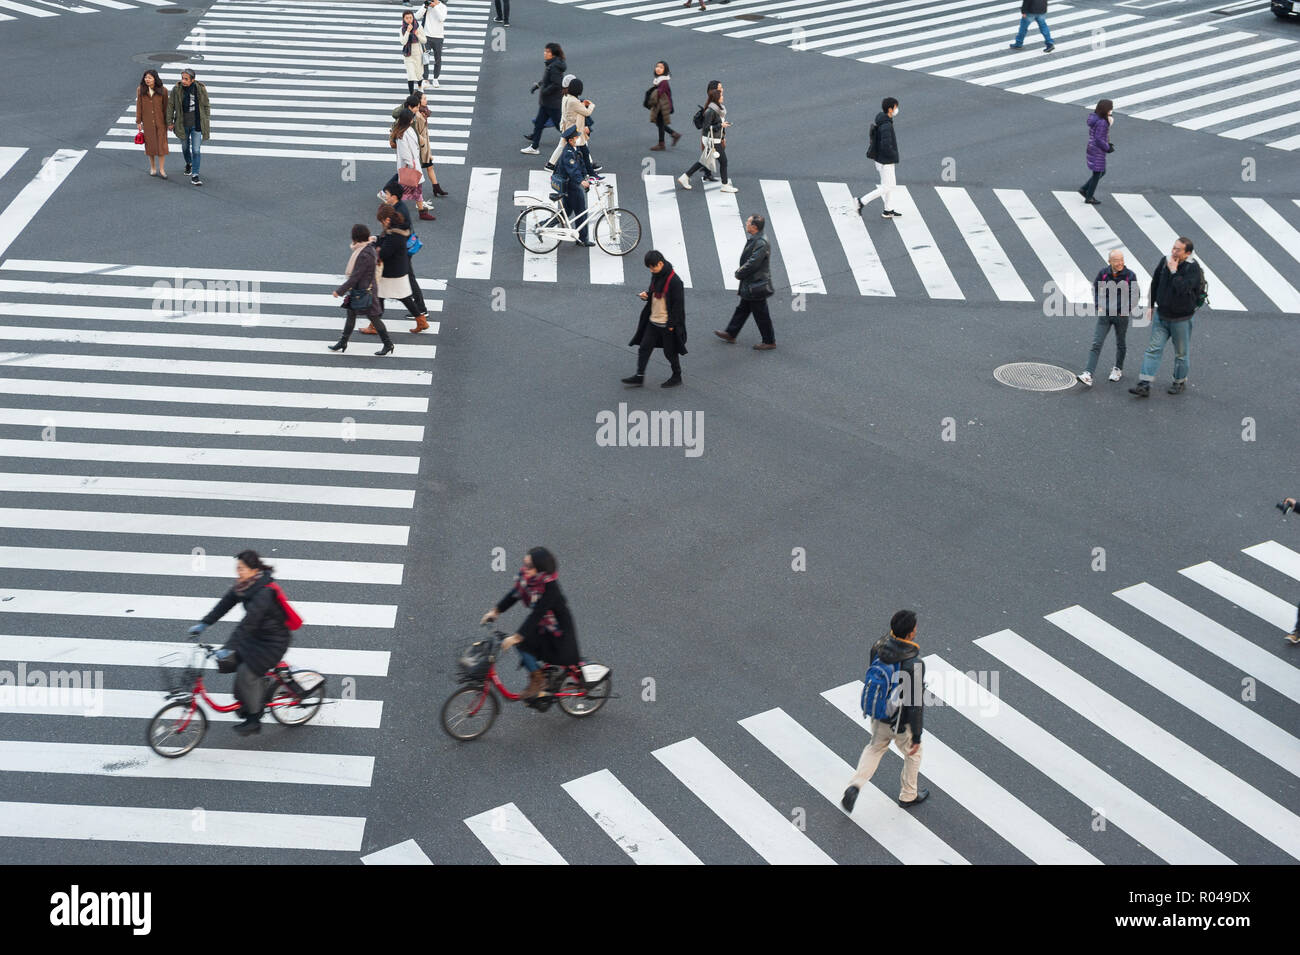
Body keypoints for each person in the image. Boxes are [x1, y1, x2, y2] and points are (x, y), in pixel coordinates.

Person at [188, 551, 292, 735]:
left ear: (254, 570)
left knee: (246, 674)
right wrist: (205, 623)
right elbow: (224, 604)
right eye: (237, 568)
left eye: (241, 568)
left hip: (273, 641)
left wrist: (228, 648)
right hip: (256, 637)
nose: (238, 572)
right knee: (232, 665)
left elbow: (247, 624)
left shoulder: (264, 592)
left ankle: (254, 718)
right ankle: (254, 696)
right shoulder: (244, 585)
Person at [841, 610, 930, 812]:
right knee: (913, 754)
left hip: (879, 714)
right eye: (915, 628)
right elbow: (915, 704)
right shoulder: (914, 664)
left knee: (874, 748)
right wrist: (916, 735)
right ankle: (908, 795)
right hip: (901, 722)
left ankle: (855, 785)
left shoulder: (878, 647)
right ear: (910, 634)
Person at [479, 548, 580, 702]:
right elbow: (514, 594)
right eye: (524, 564)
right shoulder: (528, 579)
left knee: (521, 643)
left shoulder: (550, 588)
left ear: (540, 569)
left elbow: (537, 614)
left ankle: (538, 681)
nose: (524, 568)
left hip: (558, 634)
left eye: (529, 566)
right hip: (544, 627)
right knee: (522, 644)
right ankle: (538, 675)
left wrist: (517, 637)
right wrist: (496, 611)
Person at [1129, 237, 1203, 397]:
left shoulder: (1193, 268)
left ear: (1188, 253)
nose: (1173, 251)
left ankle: (1179, 381)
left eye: (1178, 249)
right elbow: (1155, 282)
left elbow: (1183, 289)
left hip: (1181, 320)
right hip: (1162, 316)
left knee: (1181, 354)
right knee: (1153, 350)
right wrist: (1150, 305)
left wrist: (1174, 271)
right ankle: (1144, 383)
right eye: (1173, 247)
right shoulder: (1165, 261)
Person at [623, 249, 686, 388]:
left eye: (653, 267)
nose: (651, 270)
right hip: (653, 321)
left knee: (670, 353)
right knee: (644, 348)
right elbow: (653, 292)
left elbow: (678, 306)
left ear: (660, 263)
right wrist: (647, 295)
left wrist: (671, 325)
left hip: (666, 324)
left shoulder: (675, 281)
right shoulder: (656, 275)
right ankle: (639, 376)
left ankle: (677, 376)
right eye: (649, 268)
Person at [330, 223, 393, 356]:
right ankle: (343, 342)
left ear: (355, 237)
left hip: (365, 291)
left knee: (373, 317)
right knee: (351, 314)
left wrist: (339, 291)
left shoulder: (364, 254)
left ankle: (388, 344)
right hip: (363, 289)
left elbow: (355, 276)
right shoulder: (366, 248)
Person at [714, 214, 775, 349]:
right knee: (743, 309)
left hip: (756, 284)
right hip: (751, 284)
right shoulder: (757, 239)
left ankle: (769, 341)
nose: (745, 224)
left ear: (754, 227)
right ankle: (731, 333)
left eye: (748, 222)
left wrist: (739, 272)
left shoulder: (761, 242)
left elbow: (753, 263)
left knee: (761, 314)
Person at [1078, 249, 1137, 386]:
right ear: (1109, 261)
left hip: (1121, 316)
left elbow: (1135, 295)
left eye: (1121, 259)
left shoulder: (1130, 276)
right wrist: (1098, 304)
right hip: (1105, 314)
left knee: (1120, 343)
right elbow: (1096, 288)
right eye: (1116, 260)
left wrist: (1126, 309)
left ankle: (1118, 369)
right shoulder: (1103, 274)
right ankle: (1088, 374)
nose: (1120, 263)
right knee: (1096, 343)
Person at [375, 204, 431, 332]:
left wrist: (377, 247)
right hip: (398, 270)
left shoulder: (393, 235)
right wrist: (377, 239)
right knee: (402, 298)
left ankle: (375, 325)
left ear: (387, 220)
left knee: (381, 297)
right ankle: (421, 321)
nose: (381, 224)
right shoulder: (397, 231)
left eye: (381, 221)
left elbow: (384, 253)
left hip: (392, 272)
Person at [677, 84, 735, 193]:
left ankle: (685, 177)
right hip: (712, 141)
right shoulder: (710, 111)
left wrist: (722, 128)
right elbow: (706, 128)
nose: (723, 97)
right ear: (716, 98)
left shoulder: (718, 109)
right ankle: (725, 185)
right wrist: (720, 126)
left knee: (704, 161)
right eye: (721, 95)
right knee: (723, 161)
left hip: (715, 139)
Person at [390, 94, 436, 220]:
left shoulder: (406, 130)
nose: (413, 119)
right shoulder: (402, 135)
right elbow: (405, 154)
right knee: (403, 193)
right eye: (411, 118)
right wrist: (413, 165)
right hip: (409, 167)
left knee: (416, 191)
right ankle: (394, 211)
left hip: (411, 165)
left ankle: (421, 211)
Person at [856, 97, 901, 219]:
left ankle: (888, 210)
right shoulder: (886, 125)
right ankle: (861, 201)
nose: (897, 109)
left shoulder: (883, 120)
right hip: (885, 160)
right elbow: (886, 145)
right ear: (890, 109)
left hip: (881, 160)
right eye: (896, 107)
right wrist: (893, 155)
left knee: (888, 185)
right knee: (888, 186)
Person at [166, 69, 210, 187]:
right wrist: (169, 121)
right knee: (185, 147)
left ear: (192, 80)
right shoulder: (177, 89)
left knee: (196, 150)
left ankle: (195, 175)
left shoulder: (200, 89)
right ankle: (189, 163)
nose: (183, 81)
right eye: (182, 78)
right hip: (182, 123)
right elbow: (171, 105)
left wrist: (206, 119)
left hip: (197, 124)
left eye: (186, 79)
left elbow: (206, 105)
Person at [553, 125, 595, 247]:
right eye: (576, 138)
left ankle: (543, 225)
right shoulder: (568, 153)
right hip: (571, 186)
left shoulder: (573, 150)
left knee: (565, 212)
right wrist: (581, 181)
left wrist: (588, 176)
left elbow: (580, 166)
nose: (577, 139)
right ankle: (582, 239)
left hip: (568, 186)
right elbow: (572, 170)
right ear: (571, 140)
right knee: (581, 211)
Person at [522, 43, 567, 155]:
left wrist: (545, 91)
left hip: (552, 103)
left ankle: (577, 140)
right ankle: (534, 146)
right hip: (547, 103)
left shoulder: (554, 67)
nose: (545, 53)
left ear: (553, 54)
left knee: (559, 126)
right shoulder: (552, 64)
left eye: (547, 52)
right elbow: (547, 80)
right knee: (539, 123)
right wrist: (538, 86)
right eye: (545, 51)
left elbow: (557, 84)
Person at [547, 78, 595, 173]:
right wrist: (591, 105)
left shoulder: (565, 97)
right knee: (582, 145)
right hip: (574, 128)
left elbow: (574, 108)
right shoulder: (573, 101)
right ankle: (589, 165)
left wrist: (581, 104)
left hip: (567, 126)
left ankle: (551, 164)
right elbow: (586, 112)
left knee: (566, 145)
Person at [136, 69, 169, 179]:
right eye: (146, 77)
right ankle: (153, 167)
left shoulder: (163, 91)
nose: (147, 79)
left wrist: (168, 122)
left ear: (155, 79)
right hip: (148, 123)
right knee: (150, 146)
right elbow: (139, 106)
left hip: (160, 123)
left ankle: (162, 169)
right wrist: (138, 121)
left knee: (161, 146)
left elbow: (166, 108)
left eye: (150, 77)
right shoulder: (141, 90)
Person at [1080, 99, 1114, 205]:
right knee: (1098, 173)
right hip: (1097, 149)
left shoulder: (1095, 118)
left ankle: (1084, 189)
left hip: (1092, 147)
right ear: (1106, 110)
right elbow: (1099, 138)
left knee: (1101, 171)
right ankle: (1089, 196)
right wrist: (1107, 148)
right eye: (1110, 108)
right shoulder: (1103, 122)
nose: (1112, 110)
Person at [647, 60, 681, 151]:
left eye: (661, 67)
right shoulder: (658, 80)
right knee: (659, 123)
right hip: (661, 105)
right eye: (657, 66)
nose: (658, 68)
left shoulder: (663, 82)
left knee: (660, 123)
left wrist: (650, 101)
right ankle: (674, 134)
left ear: (665, 70)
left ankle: (662, 144)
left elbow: (658, 94)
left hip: (663, 106)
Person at [420, 0, 447, 89]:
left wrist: (435, 7)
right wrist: (425, 7)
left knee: (438, 59)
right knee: (425, 58)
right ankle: (425, 79)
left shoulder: (443, 7)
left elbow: (441, 18)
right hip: (426, 36)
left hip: (438, 37)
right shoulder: (426, 5)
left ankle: (435, 78)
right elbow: (417, 16)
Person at [400, 10, 424, 95]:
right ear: (403, 19)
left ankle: (420, 88)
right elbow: (403, 42)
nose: (409, 19)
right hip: (408, 54)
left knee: (419, 74)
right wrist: (407, 31)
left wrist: (417, 35)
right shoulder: (402, 29)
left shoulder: (418, 26)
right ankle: (411, 95)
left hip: (417, 52)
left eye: (410, 17)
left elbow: (424, 40)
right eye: (407, 18)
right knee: (410, 75)